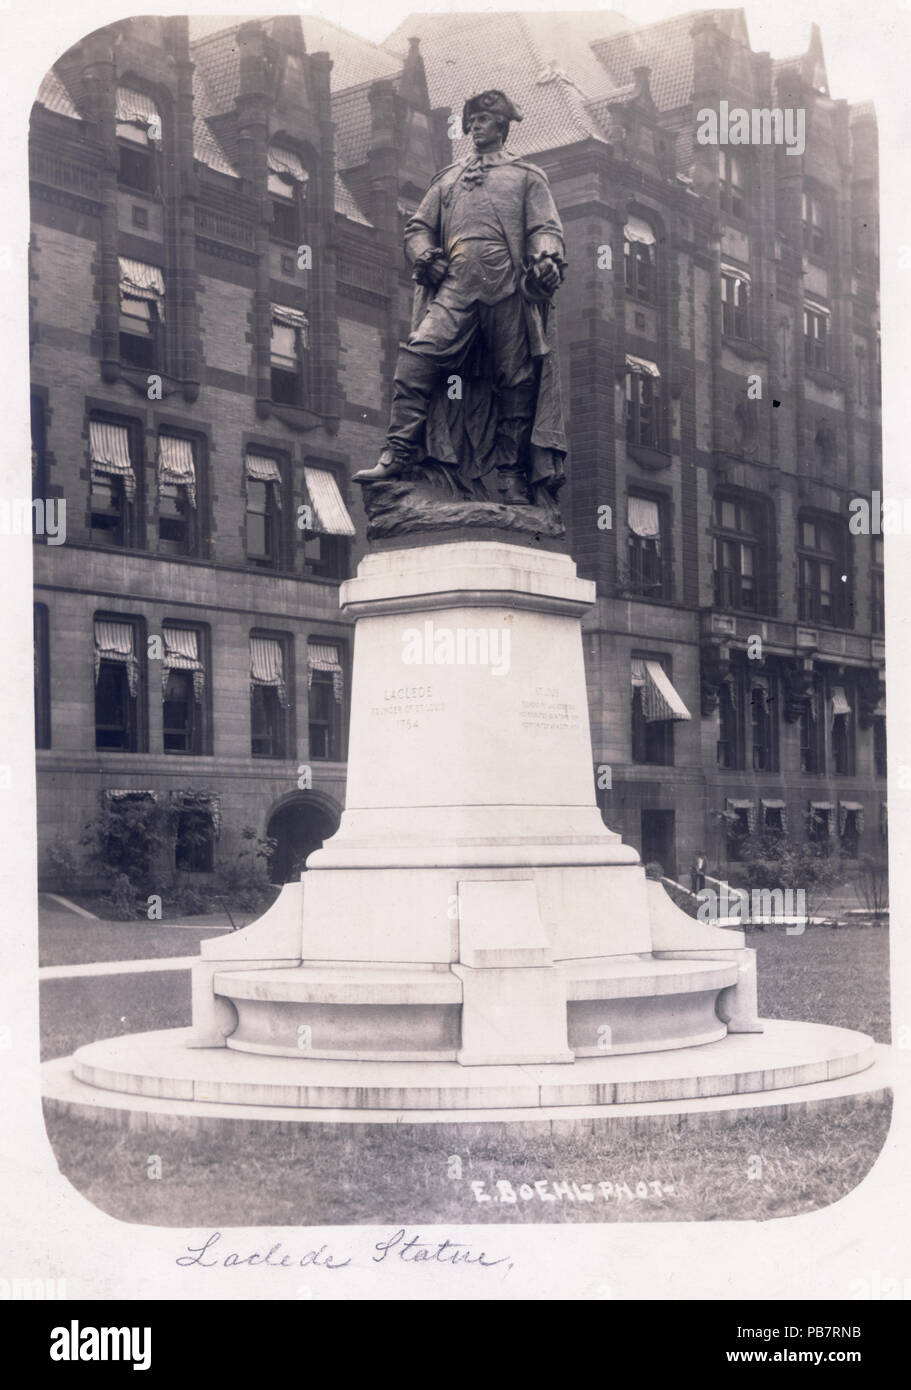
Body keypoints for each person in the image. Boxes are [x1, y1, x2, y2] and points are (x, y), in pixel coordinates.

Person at [353, 89, 567, 507]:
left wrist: (546, 258)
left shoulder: (527, 176)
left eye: (483, 120)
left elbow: (546, 228)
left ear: (501, 125)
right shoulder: (447, 179)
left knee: (516, 380)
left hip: (507, 288)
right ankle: (397, 454)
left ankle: (511, 474)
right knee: (418, 358)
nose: (474, 127)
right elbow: (417, 228)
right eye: (471, 121)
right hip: (456, 287)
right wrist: (424, 256)